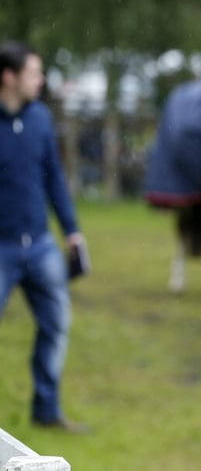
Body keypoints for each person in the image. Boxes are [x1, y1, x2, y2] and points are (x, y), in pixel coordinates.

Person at [0, 41, 88, 432]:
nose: (41, 80)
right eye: (34, 72)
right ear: (9, 77)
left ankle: (46, 411)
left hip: (39, 245)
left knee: (56, 324)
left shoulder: (40, 119)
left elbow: (53, 177)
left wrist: (71, 231)